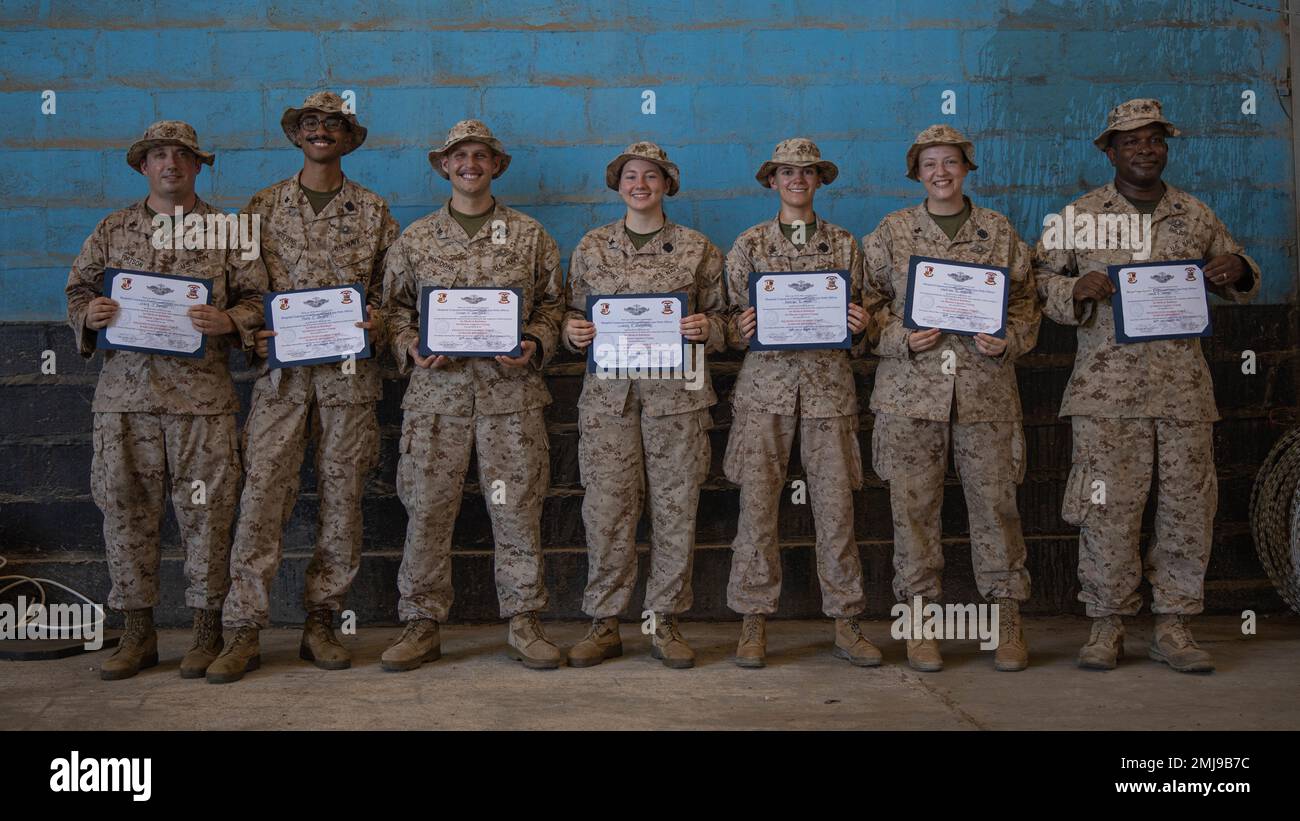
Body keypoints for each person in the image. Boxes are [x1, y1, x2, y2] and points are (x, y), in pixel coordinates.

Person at [1034, 99, 1260, 673]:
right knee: (1108, 509)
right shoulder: (1079, 217)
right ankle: (1106, 624)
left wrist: (1239, 268)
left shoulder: (1194, 214)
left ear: (1166, 148)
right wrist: (1073, 290)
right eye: (1131, 141)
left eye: (1155, 140)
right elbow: (1033, 281)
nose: (1144, 150)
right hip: (1105, 397)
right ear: (1109, 150)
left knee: (1187, 508)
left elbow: (1237, 265)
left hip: (1183, 393)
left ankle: (1175, 626)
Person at [206, 92, 400, 684]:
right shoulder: (262, 206)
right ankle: (242, 628)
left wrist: (380, 321)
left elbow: (393, 295)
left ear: (348, 137)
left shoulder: (373, 210)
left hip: (348, 379)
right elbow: (241, 292)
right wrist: (251, 333)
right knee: (262, 495)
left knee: (342, 501)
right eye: (311, 124)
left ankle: (323, 619)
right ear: (298, 135)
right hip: (281, 380)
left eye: (333, 125)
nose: (322, 132)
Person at [65, 120, 266, 680]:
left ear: (198, 165)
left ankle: (206, 631)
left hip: (202, 402)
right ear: (143, 166)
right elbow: (78, 288)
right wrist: (89, 314)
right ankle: (138, 635)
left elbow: (259, 300)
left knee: (208, 515)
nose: (170, 164)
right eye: (158, 155)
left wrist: (231, 319)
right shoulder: (112, 229)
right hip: (124, 402)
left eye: (182, 155)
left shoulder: (229, 232)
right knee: (125, 512)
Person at [380, 120, 567, 671]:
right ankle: (420, 622)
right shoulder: (414, 240)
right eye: (459, 156)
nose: (470, 165)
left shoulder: (531, 236)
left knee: (516, 510)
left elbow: (555, 306)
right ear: (444, 166)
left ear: (495, 166)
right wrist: (411, 345)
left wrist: (534, 340)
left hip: (510, 399)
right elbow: (389, 310)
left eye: (481, 156)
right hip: (437, 399)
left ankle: (525, 620)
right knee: (428, 509)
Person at [861, 124, 1040, 672]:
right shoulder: (891, 233)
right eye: (930, 164)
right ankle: (920, 625)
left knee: (997, 509)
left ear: (967, 168)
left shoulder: (998, 231)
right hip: (911, 398)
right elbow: (866, 309)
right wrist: (899, 337)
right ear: (916, 172)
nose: (941, 173)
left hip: (985, 394)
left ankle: (1007, 622)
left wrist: (1010, 338)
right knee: (912, 512)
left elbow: (1027, 303)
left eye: (952, 162)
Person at [561, 142, 726, 669]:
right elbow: (569, 316)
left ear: (666, 184)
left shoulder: (697, 249)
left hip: (677, 401)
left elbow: (731, 320)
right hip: (609, 402)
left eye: (651, 176)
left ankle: (665, 621)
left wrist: (710, 328)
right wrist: (571, 332)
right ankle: (605, 622)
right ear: (618, 184)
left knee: (676, 510)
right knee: (607, 511)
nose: (640, 184)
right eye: (630, 175)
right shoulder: (591, 247)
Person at [723, 138, 877, 668]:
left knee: (836, 512)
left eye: (807, 172)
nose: (797, 180)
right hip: (764, 394)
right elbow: (723, 321)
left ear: (819, 181)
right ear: (772, 181)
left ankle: (847, 620)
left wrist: (863, 326)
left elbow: (866, 317)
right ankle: (752, 619)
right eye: (787, 172)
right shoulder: (748, 245)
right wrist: (736, 328)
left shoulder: (845, 245)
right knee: (758, 509)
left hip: (829, 394)